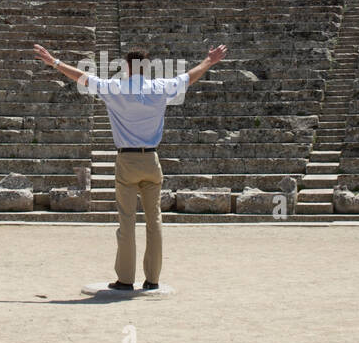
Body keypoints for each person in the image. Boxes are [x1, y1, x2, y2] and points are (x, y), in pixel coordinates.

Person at [33, 41, 228, 291]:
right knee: (154, 220)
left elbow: (82, 77)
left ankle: (125, 279)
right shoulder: (159, 87)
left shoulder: (115, 87)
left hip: (126, 159)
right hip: (151, 160)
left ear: (126, 66)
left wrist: (55, 62)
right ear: (146, 68)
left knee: (126, 221)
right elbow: (189, 77)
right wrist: (209, 60)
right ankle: (152, 279)